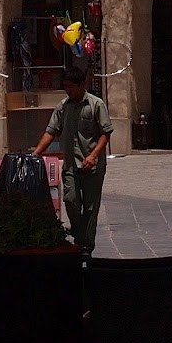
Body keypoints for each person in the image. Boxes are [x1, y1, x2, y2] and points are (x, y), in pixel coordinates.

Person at [33, 64, 112, 255]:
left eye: (71, 86)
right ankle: (79, 235)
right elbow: (51, 131)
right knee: (71, 200)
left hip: (92, 166)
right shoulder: (63, 107)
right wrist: (35, 154)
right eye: (65, 86)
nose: (67, 90)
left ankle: (86, 246)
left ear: (81, 85)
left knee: (90, 207)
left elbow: (106, 133)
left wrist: (93, 155)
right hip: (70, 165)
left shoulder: (96, 105)